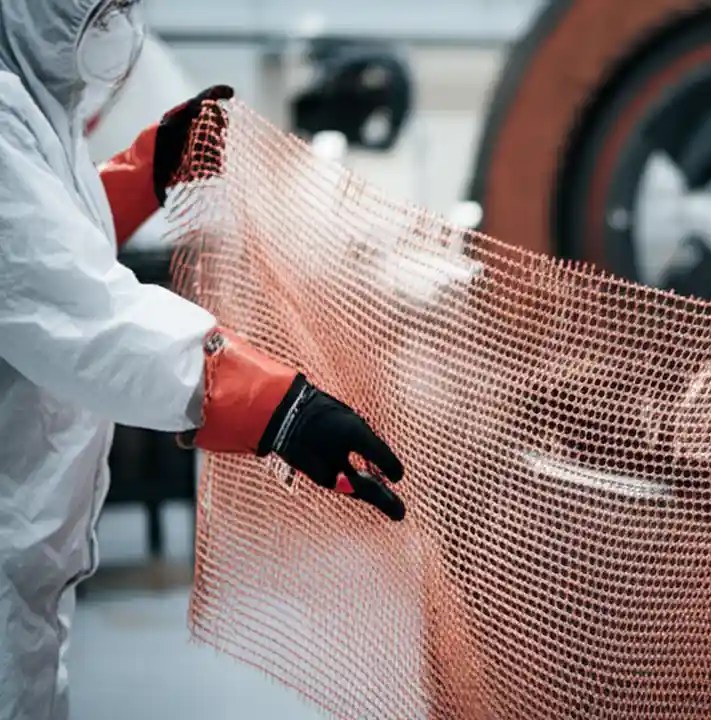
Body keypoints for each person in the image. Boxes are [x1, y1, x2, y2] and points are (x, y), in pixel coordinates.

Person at [0, 1, 407, 717]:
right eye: (103, 7)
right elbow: (60, 298)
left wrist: (145, 170)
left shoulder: (38, 112)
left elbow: (54, 231)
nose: (117, 24)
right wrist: (277, 408)